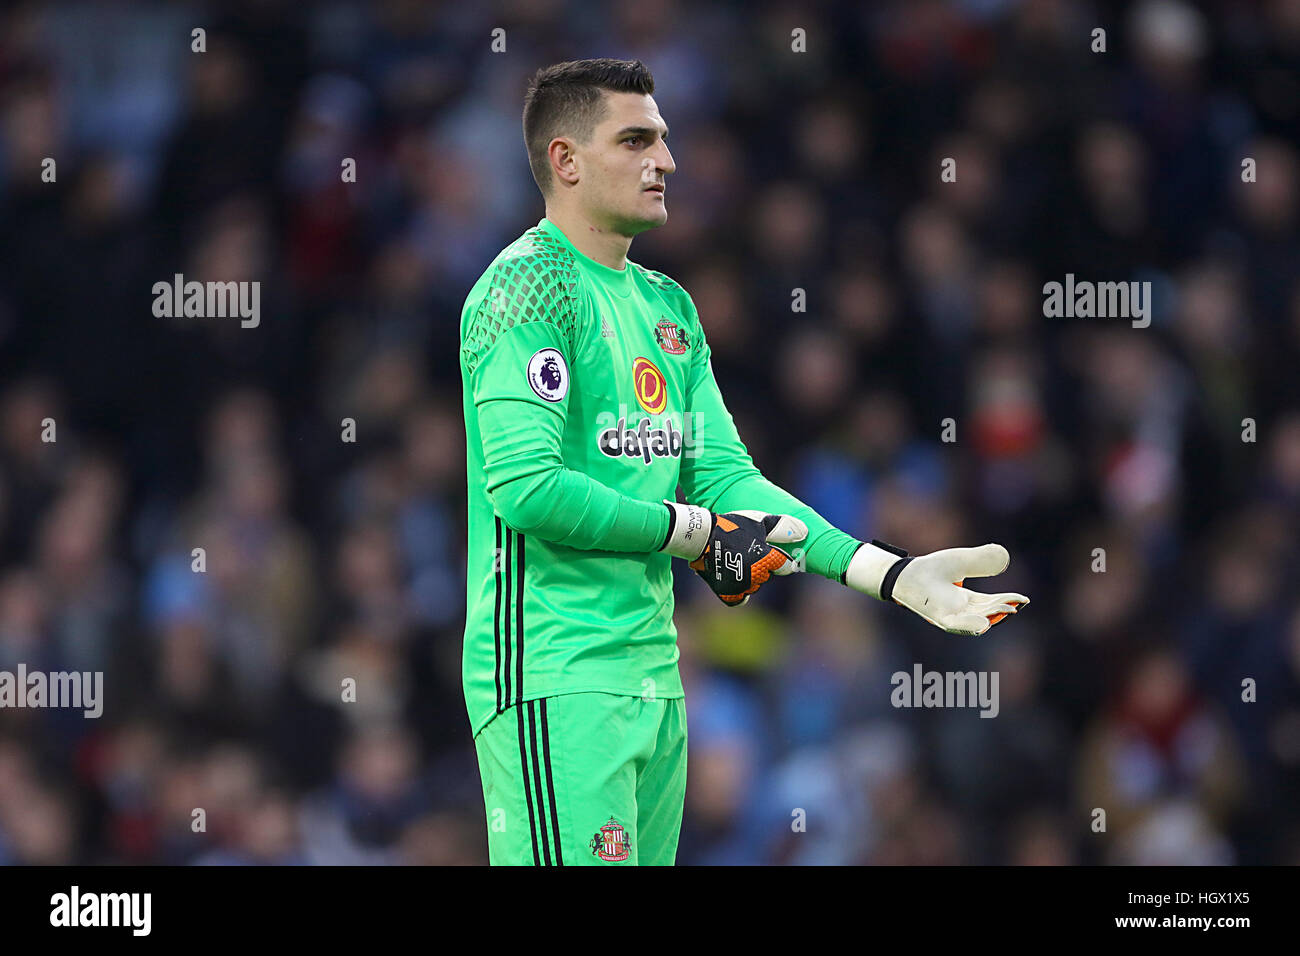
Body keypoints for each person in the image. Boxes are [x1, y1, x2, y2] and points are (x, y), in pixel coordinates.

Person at [458, 58, 1029, 865]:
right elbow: (527, 488)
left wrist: (888, 574)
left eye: (663, 138)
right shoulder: (524, 292)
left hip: (656, 678)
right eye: (636, 140)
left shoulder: (667, 308)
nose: (667, 160)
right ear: (565, 160)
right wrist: (694, 532)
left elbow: (730, 483)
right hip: (556, 675)